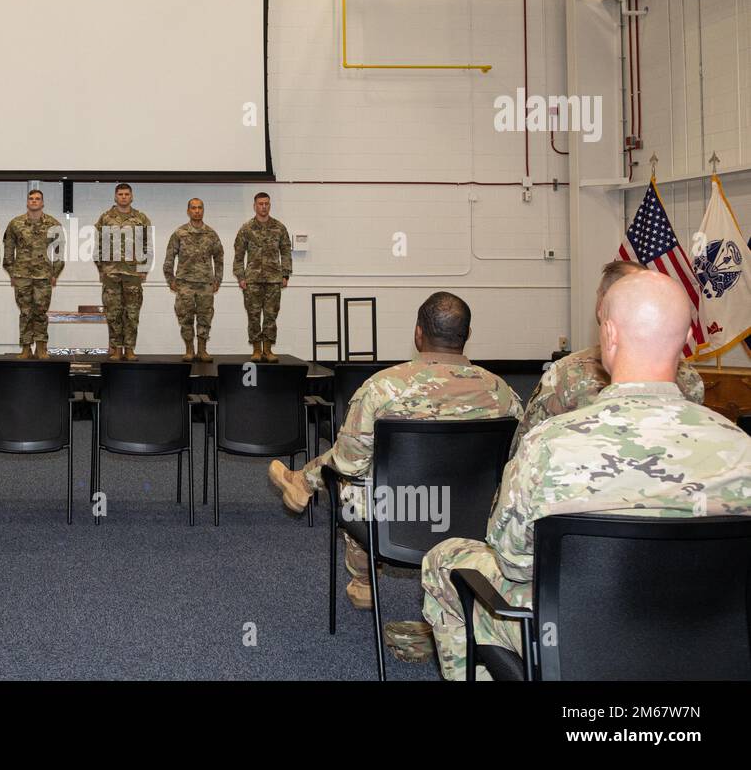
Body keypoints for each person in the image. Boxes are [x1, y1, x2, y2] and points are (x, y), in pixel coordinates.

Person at [421, 271, 751, 680]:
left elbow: (512, 561)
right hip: (707, 638)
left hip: (577, 638)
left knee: (445, 558)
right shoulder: (741, 449)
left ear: (609, 335)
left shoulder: (550, 447)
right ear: (685, 340)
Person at [269, 292, 522, 629]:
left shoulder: (382, 388)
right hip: (475, 525)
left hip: (401, 518)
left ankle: (363, 580)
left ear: (418, 334)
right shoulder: (503, 393)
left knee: (352, 483)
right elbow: (516, 464)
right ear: (467, 335)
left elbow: (349, 463)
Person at [510, 259, 705, 453]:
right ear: (687, 336)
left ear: (602, 308)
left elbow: (524, 446)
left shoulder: (564, 375)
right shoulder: (691, 380)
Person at [3, 189, 65, 359]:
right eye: (31, 198)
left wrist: (55, 273)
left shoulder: (53, 224)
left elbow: (59, 253)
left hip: (43, 275)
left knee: (40, 312)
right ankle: (25, 348)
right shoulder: (16, 224)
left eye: (38, 199)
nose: (34, 201)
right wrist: (11, 273)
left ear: (43, 202)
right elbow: (8, 250)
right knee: (25, 312)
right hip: (22, 275)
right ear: (27, 202)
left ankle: (41, 347)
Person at [94, 183, 152, 361]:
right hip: (111, 274)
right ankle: (117, 349)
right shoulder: (105, 218)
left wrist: (143, 270)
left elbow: (148, 246)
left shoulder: (141, 218)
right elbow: (97, 248)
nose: (124, 197)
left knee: (132, 314)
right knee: (113, 314)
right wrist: (102, 269)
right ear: (115, 197)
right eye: (120, 194)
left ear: (132, 197)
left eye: (127, 194)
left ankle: (130, 349)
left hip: (133, 274)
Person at [233, 192, 291, 361]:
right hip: (252, 280)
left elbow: (286, 252)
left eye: (266, 203)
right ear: (255, 206)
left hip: (274, 280)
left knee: (271, 315)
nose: (263, 206)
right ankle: (257, 350)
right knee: (253, 315)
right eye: (260, 204)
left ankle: (268, 349)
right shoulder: (246, 228)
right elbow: (238, 255)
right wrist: (241, 277)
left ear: (269, 205)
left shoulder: (279, 228)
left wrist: (285, 274)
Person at [164, 198, 224, 362]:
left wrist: (218, 279)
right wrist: (171, 279)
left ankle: (202, 350)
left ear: (203, 210)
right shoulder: (180, 233)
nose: (197, 211)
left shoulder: (211, 234)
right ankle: (189, 349)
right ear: (188, 211)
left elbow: (219, 258)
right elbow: (169, 257)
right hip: (185, 284)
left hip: (205, 284)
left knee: (205, 317)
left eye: (200, 208)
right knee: (186, 317)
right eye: (193, 208)